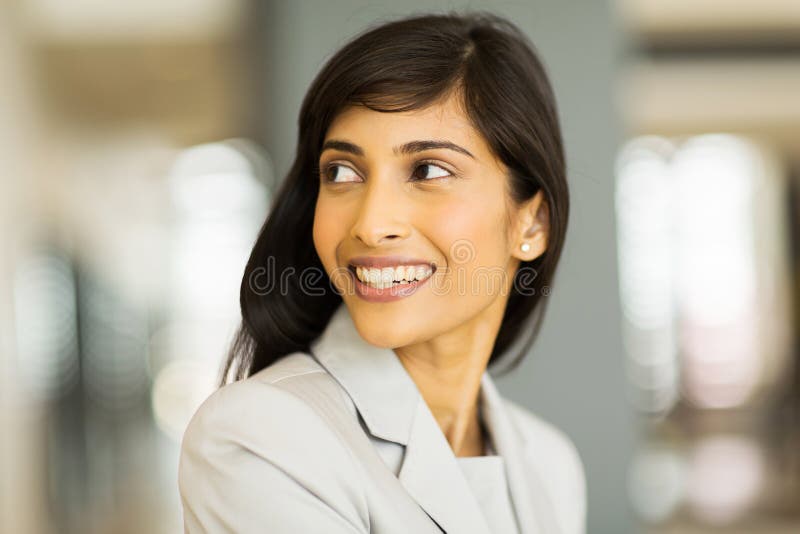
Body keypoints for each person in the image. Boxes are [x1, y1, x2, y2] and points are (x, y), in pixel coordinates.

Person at [178, 10, 586, 534]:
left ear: (532, 222)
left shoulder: (551, 463)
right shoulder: (260, 438)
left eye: (428, 170)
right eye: (341, 172)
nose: (370, 225)